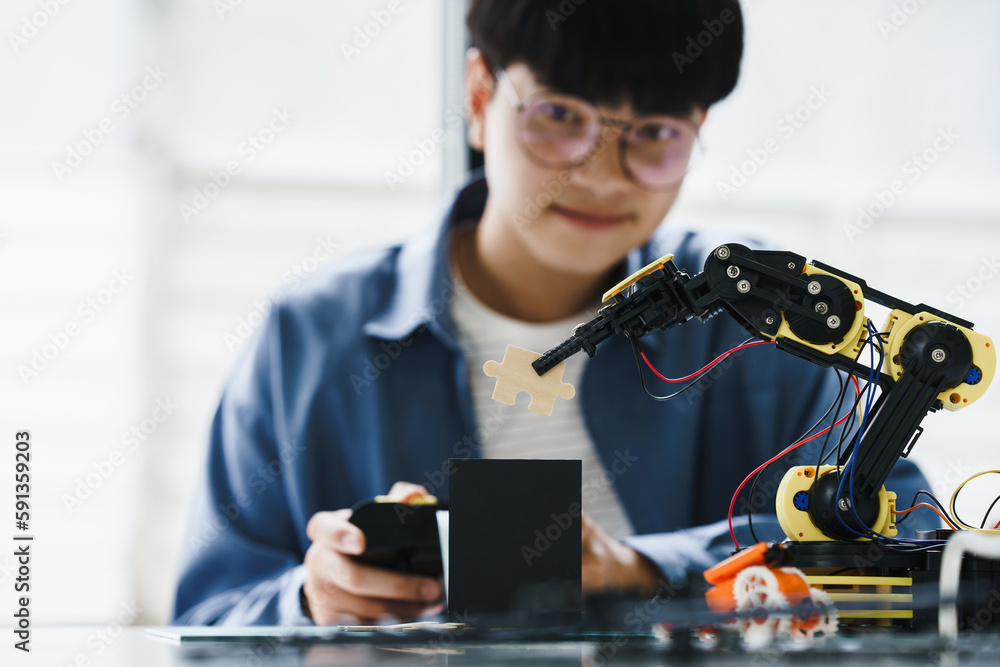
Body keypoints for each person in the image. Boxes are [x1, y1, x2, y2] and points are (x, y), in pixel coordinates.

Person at [173, 0, 932, 626]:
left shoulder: (765, 319)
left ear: (700, 129)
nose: (602, 174)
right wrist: (311, 600)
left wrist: (640, 566)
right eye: (560, 116)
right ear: (479, 97)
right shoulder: (313, 335)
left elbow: (912, 546)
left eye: (657, 133)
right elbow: (203, 617)